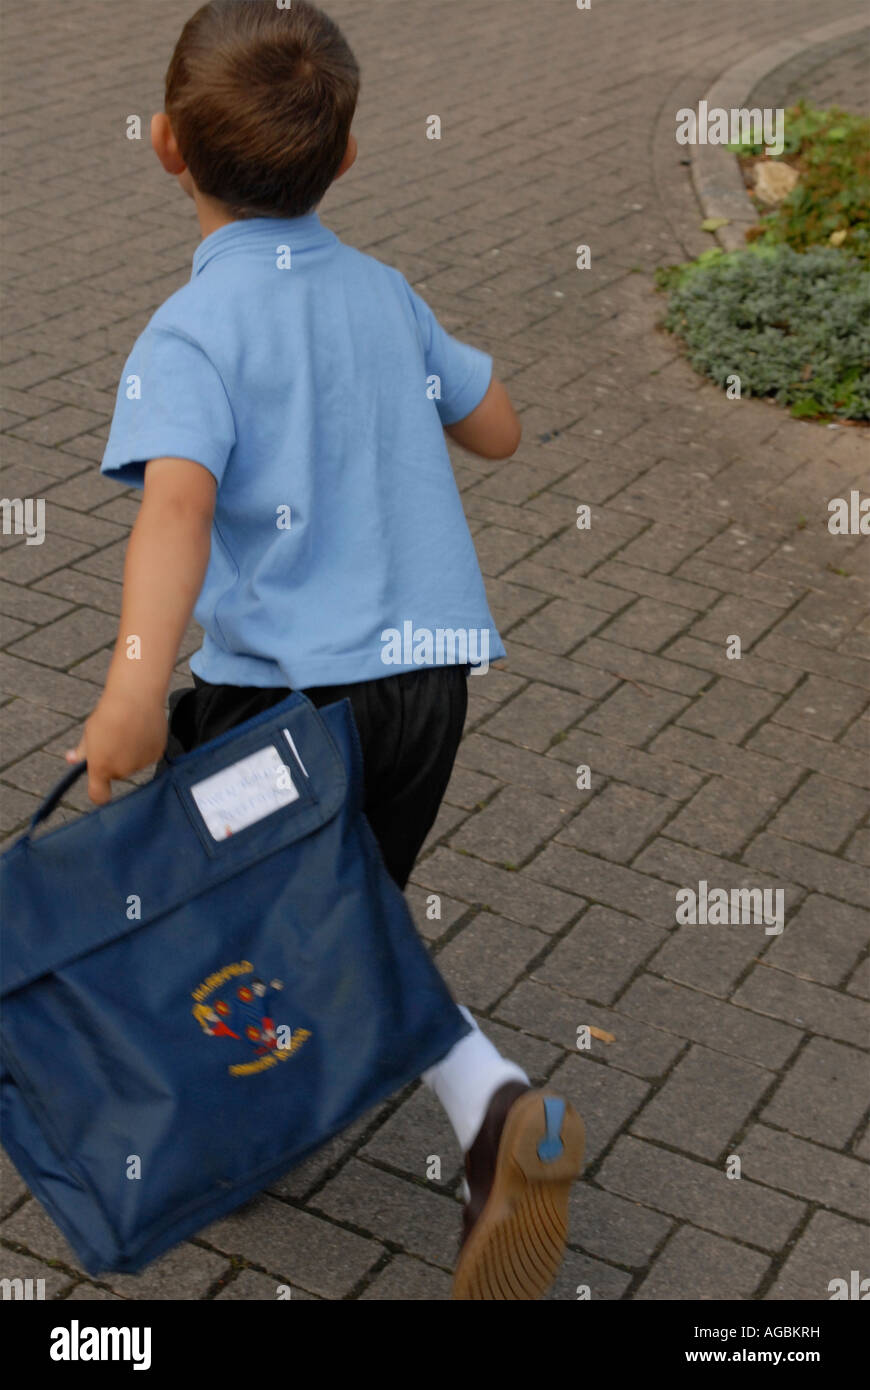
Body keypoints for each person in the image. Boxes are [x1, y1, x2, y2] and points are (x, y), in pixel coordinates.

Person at [66, 0, 584, 1300]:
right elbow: (500, 425)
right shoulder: (385, 292)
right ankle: (332, 1099)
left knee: (279, 909)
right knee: (334, 903)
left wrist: (136, 686)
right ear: (347, 159)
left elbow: (175, 517)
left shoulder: (190, 336)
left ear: (163, 144)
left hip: (284, 702)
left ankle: (478, 1097)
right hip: (425, 687)